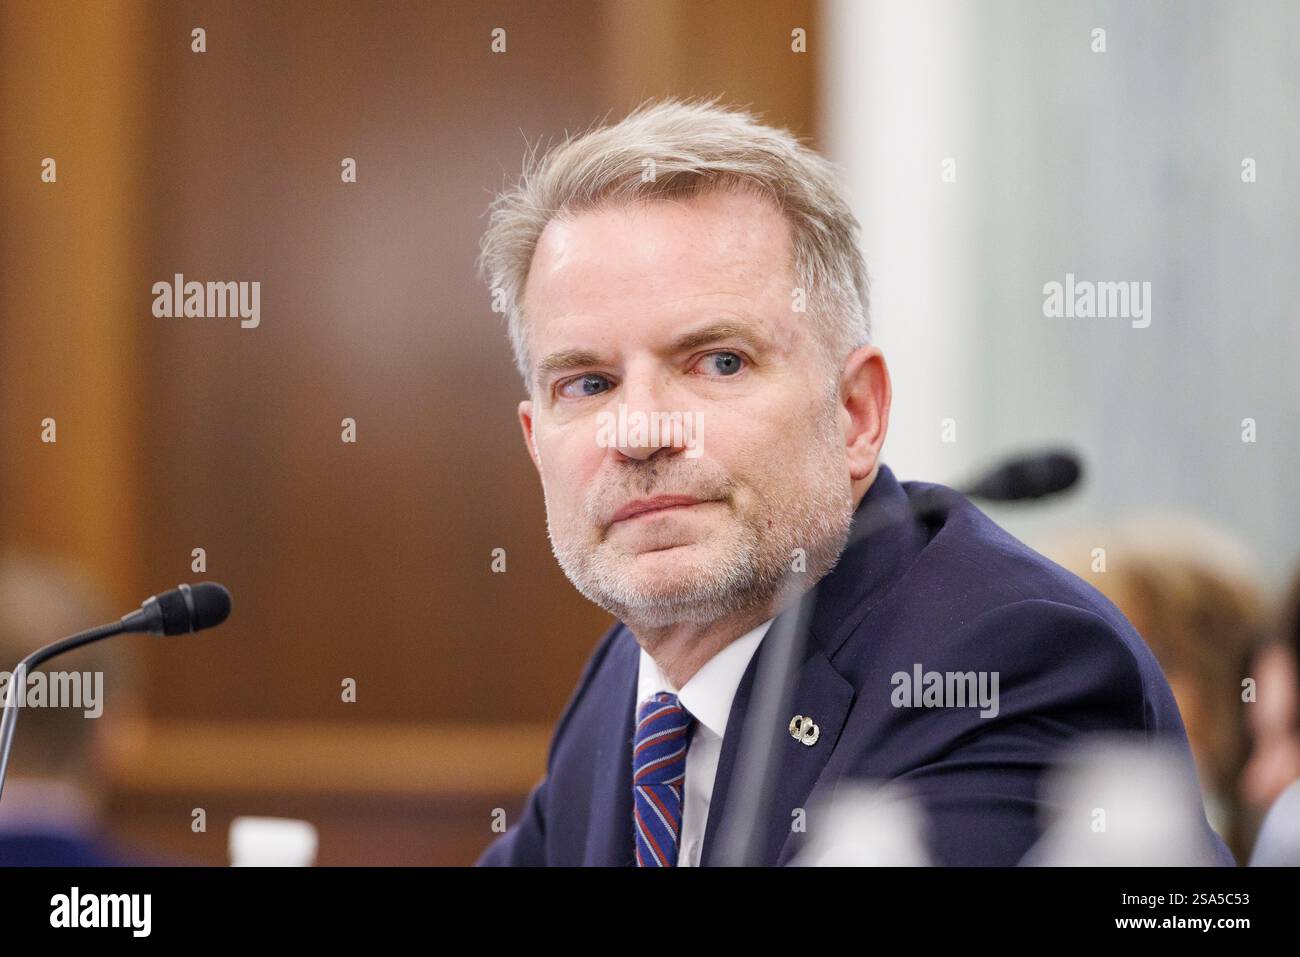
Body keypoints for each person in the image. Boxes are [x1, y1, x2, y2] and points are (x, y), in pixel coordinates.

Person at [473, 97, 1232, 866]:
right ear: (537, 445)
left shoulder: (1012, 661)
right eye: (588, 383)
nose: (640, 432)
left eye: (719, 362)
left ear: (855, 413)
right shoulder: (631, 679)